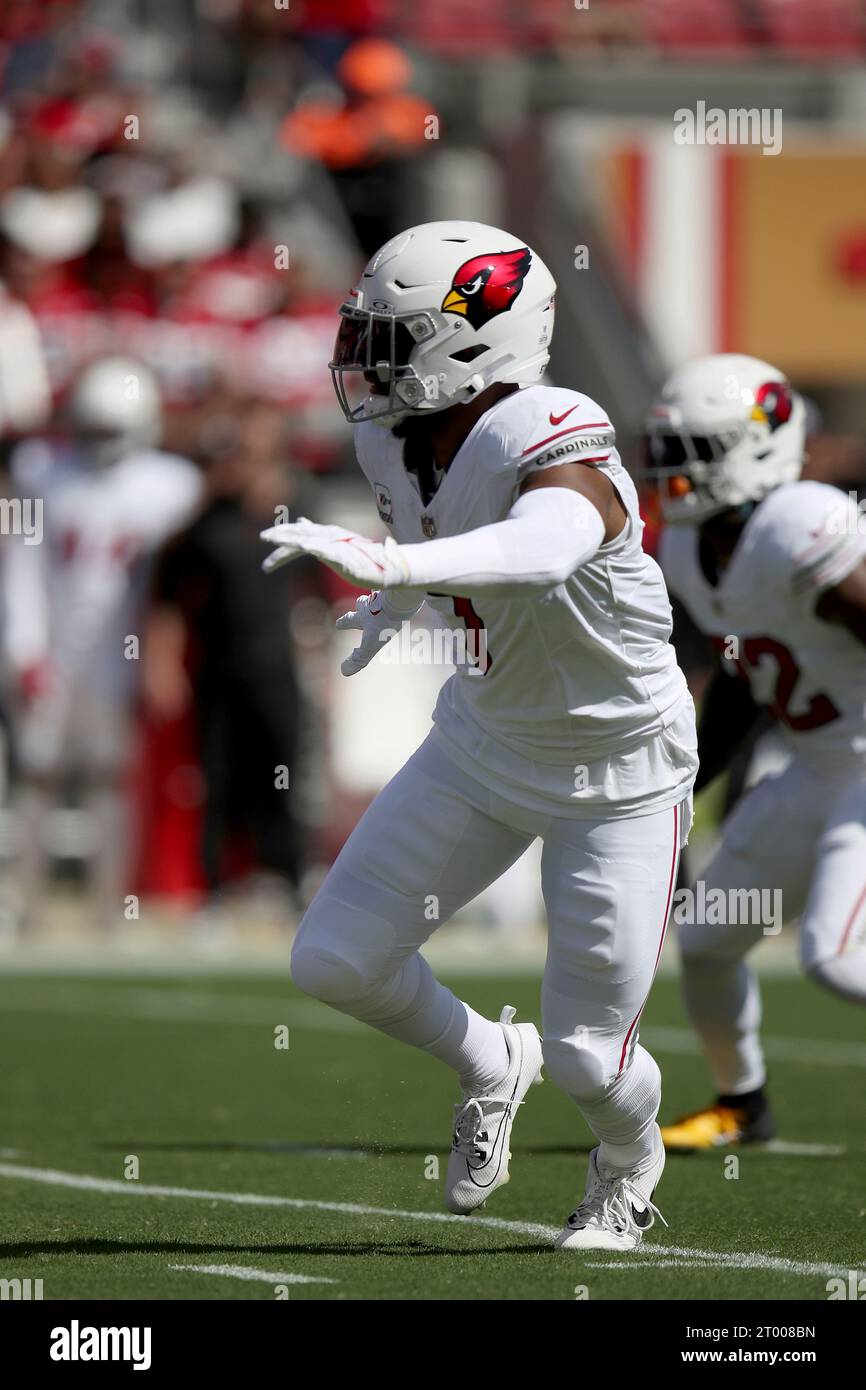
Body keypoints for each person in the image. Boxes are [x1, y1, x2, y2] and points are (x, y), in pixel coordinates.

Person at [260, 221, 697, 1251]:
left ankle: (628, 1161)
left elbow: (548, 545)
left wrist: (399, 573)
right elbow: (465, 557)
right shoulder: (389, 436)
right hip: (483, 744)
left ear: (473, 340)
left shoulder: (546, 419)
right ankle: (491, 1060)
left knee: (591, 1059)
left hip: (617, 771)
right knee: (333, 960)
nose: (364, 363)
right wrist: (404, 600)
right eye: (362, 336)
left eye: (390, 339)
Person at [644, 353, 866, 1149]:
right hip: (814, 770)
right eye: (671, 449)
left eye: (696, 450)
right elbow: (743, 677)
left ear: (760, 444)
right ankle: (744, 1104)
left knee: (836, 959)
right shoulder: (690, 546)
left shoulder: (799, 521)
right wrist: (683, 783)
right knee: (706, 939)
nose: (675, 470)